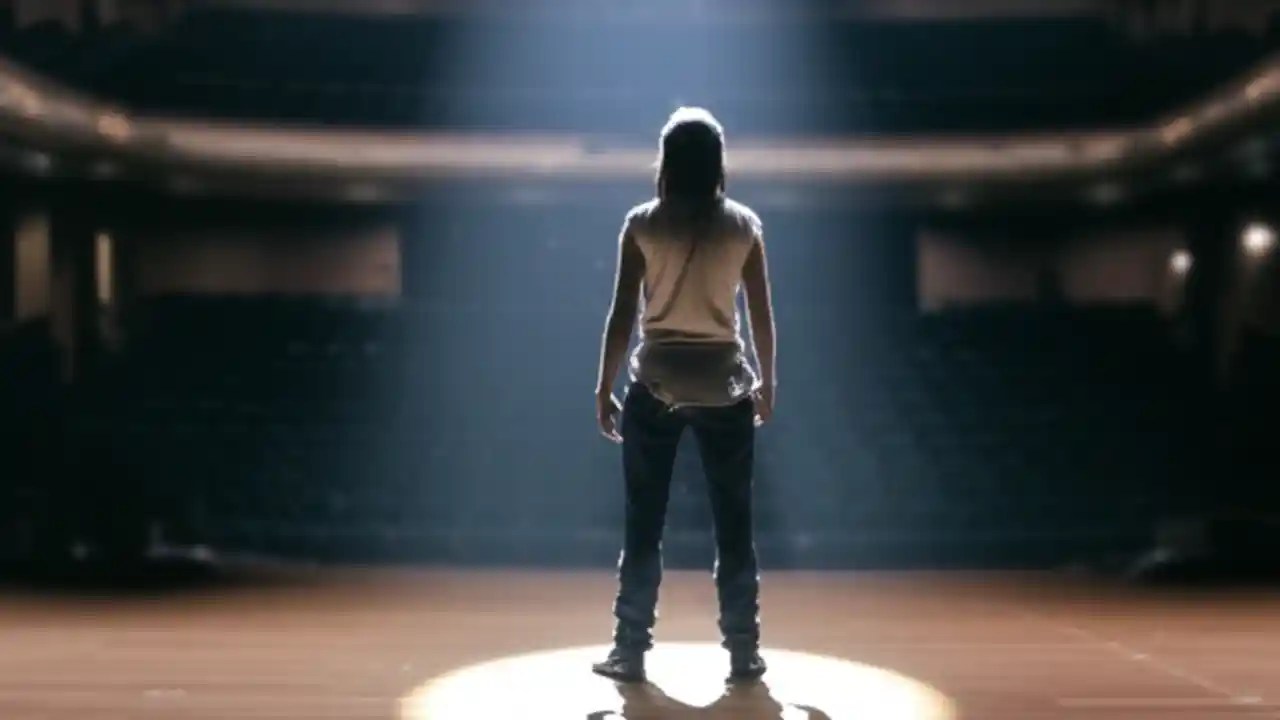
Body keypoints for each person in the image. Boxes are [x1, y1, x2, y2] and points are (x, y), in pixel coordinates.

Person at [591, 107, 776, 683]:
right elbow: (762, 318)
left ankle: (630, 648)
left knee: (644, 523)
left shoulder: (642, 223)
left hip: (657, 383)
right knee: (734, 524)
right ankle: (743, 651)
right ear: (718, 163)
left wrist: (604, 385)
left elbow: (623, 315)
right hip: (725, 386)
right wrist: (768, 382)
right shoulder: (745, 225)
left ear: (666, 163)